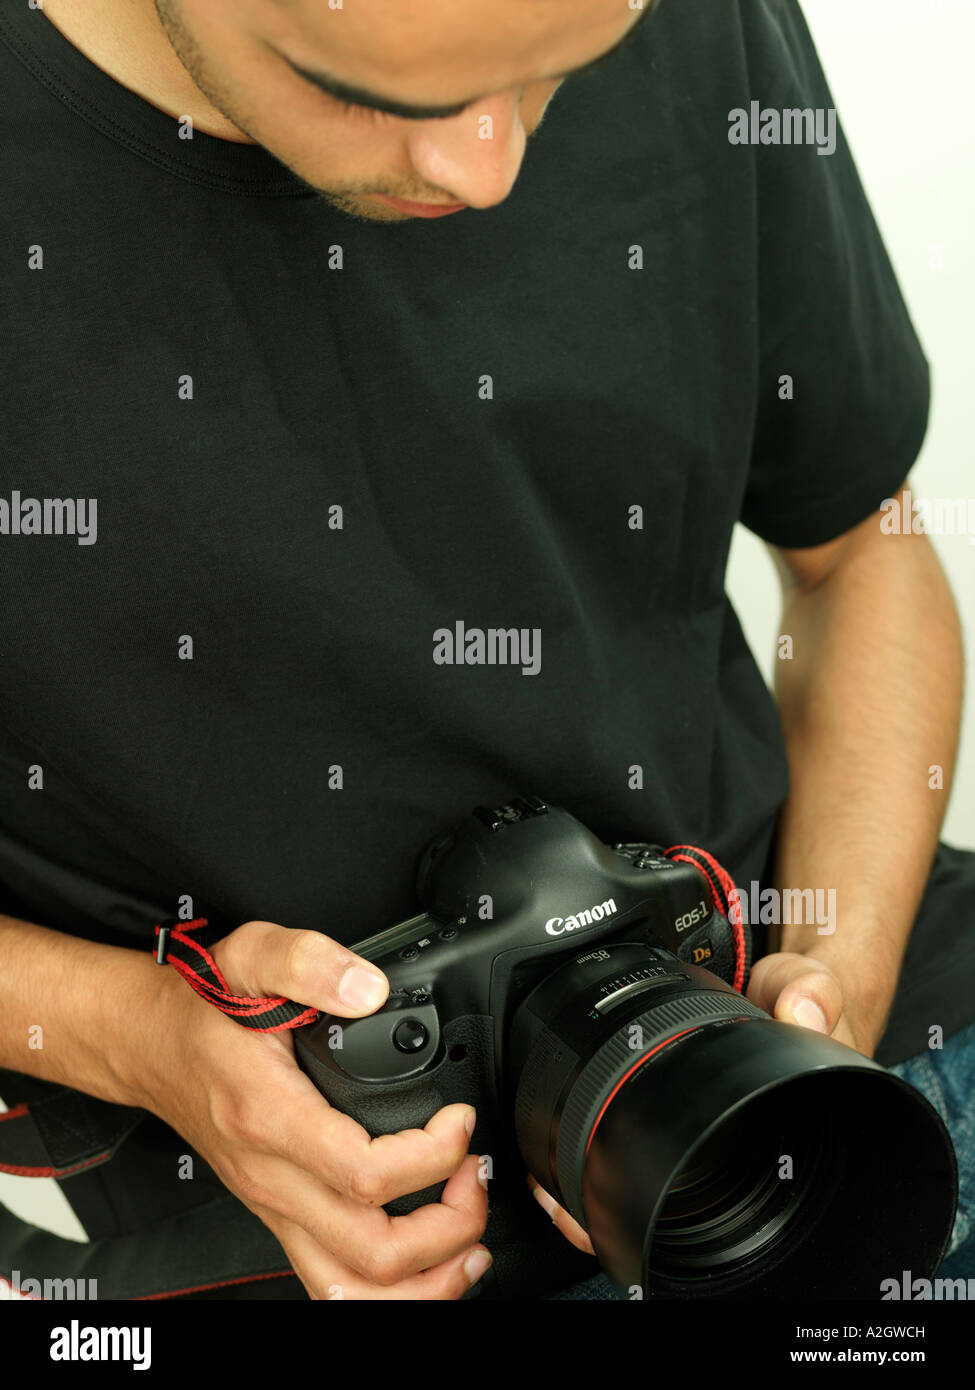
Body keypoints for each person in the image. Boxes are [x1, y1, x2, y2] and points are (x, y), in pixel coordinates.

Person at [0, 0, 972, 1301]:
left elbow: (863, 552)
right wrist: (145, 1036)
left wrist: (835, 973)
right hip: (309, 1235)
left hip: (826, 1074)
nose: (489, 167)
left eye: (565, 70)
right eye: (384, 98)